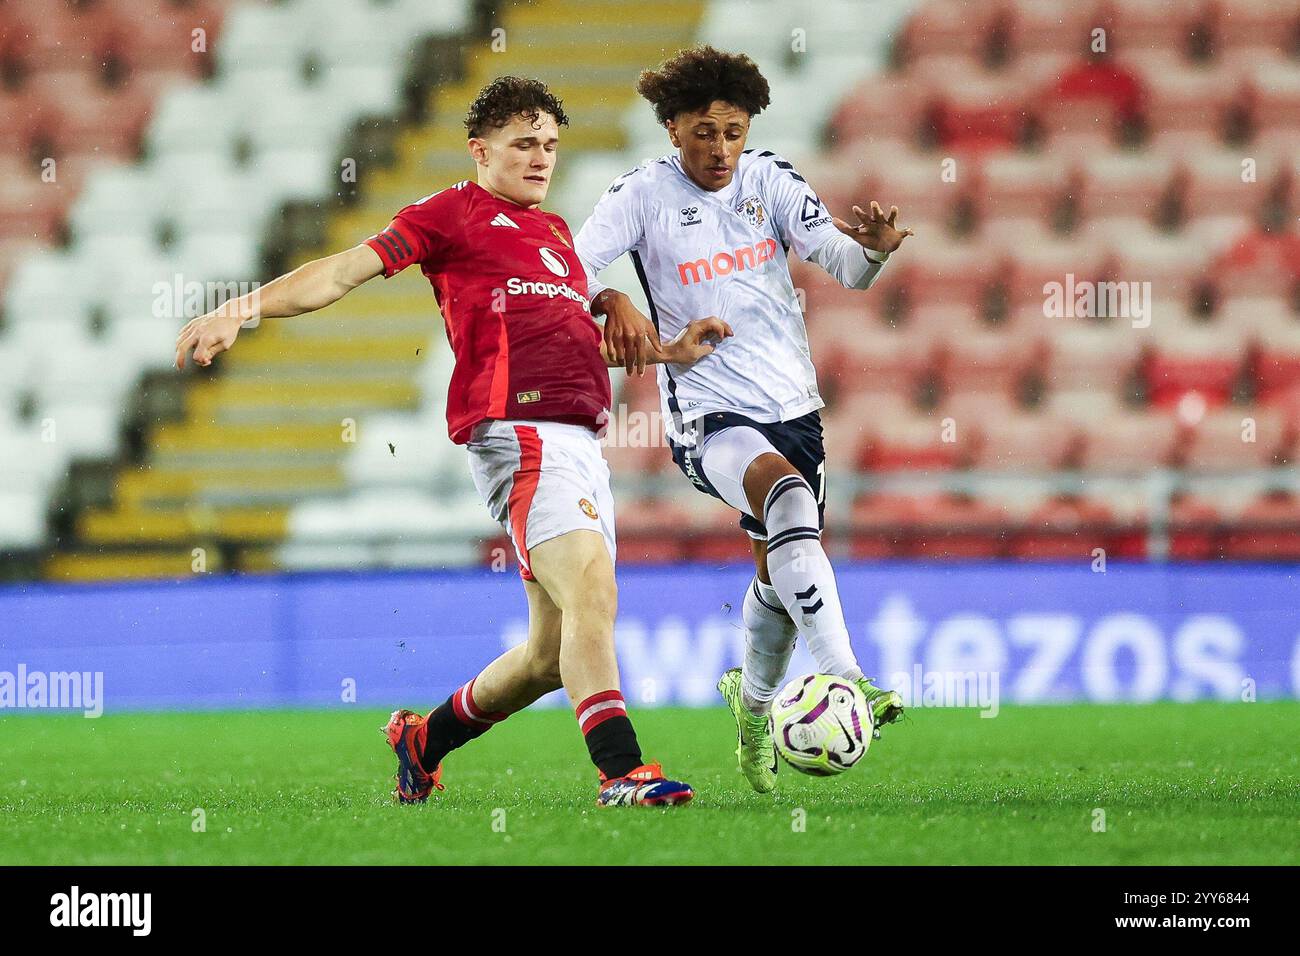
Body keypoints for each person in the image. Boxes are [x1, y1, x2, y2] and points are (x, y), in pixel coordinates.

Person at [174, 75, 730, 808]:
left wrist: (669, 353)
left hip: (582, 446)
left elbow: (565, 340)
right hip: (518, 435)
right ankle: (622, 771)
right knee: (593, 588)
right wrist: (240, 310)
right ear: (480, 150)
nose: (541, 158)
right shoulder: (452, 214)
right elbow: (342, 272)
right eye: (524, 144)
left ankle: (424, 740)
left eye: (551, 145)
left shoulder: (558, 235)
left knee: (543, 655)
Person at [574, 47, 911, 794]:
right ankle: (849, 680)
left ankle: (753, 709)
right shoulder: (638, 195)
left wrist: (876, 253)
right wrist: (614, 299)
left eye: (732, 131)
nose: (719, 148)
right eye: (703, 132)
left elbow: (845, 267)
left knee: (780, 573)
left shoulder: (772, 179)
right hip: (708, 409)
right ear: (671, 129)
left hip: (794, 406)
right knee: (787, 500)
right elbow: (571, 267)